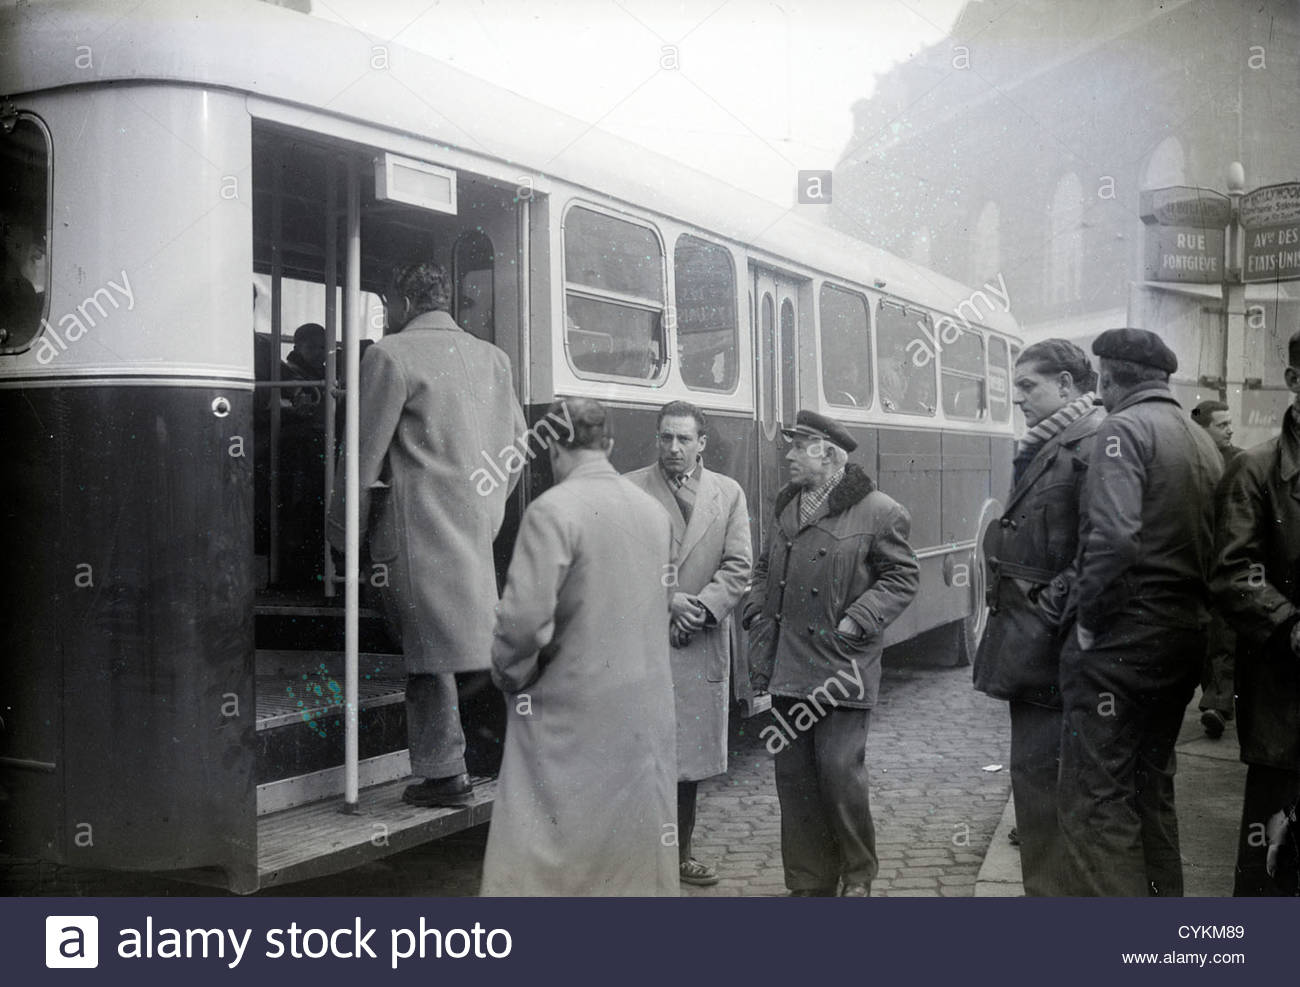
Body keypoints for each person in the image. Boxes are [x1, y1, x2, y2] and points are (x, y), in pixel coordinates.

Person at [326, 261, 525, 807]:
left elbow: (362, 459)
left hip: (413, 533)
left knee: (426, 656)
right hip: (472, 532)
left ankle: (444, 773)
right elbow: (518, 445)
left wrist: (343, 534)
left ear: (401, 300)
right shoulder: (494, 358)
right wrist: (488, 508)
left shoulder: (390, 354)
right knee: (452, 645)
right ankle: (470, 766)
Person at [482, 398, 679, 896]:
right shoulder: (652, 511)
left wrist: (511, 675)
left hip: (568, 711)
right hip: (642, 709)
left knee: (551, 848)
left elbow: (523, 624)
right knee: (629, 850)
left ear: (553, 449)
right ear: (608, 445)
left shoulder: (552, 510)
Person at [1056, 328, 1222, 897]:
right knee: (1152, 787)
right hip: (1183, 640)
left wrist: (1087, 622)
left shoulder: (1121, 430)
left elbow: (1115, 541)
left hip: (1123, 644)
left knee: (1098, 798)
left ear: (1107, 375)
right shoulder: (1199, 439)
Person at [742, 410, 919, 897]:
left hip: (842, 667)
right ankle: (808, 883)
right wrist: (756, 610)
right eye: (791, 446)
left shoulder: (879, 510)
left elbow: (902, 578)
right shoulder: (787, 505)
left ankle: (858, 877)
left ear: (829, 453)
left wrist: (856, 620)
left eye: (800, 447)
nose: (790, 455)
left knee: (840, 778)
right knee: (794, 782)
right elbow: (763, 566)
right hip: (786, 664)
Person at [972, 339, 1103, 896]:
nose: (1018, 397)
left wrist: (1046, 615)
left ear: (1068, 386)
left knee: (1047, 789)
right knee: (1035, 786)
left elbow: (1098, 547)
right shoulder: (1051, 442)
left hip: (1055, 650)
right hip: (1034, 650)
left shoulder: (1092, 444)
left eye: (1029, 386)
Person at [624, 400, 753, 887]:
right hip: (643, 641)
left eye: (683, 439)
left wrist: (698, 609)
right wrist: (670, 602)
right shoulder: (630, 489)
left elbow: (739, 566)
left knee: (686, 761)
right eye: (665, 438)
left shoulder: (728, 494)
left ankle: (681, 854)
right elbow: (617, 565)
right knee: (641, 755)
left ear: (701, 444)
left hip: (698, 642)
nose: (673, 448)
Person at [1213, 329, 1300, 896]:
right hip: (1285, 695)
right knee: (1271, 854)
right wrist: (1290, 623)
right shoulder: (1257, 470)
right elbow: (1233, 570)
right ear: (1294, 382)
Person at [1191, 399, 1243, 739]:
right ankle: (1215, 700)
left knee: (1224, 634)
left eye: (1229, 424)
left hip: (1227, 559)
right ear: (1203, 428)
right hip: (1194, 561)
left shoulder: (1240, 460)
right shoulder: (1188, 457)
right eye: (1222, 425)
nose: (1230, 430)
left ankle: (1218, 705)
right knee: (1205, 636)